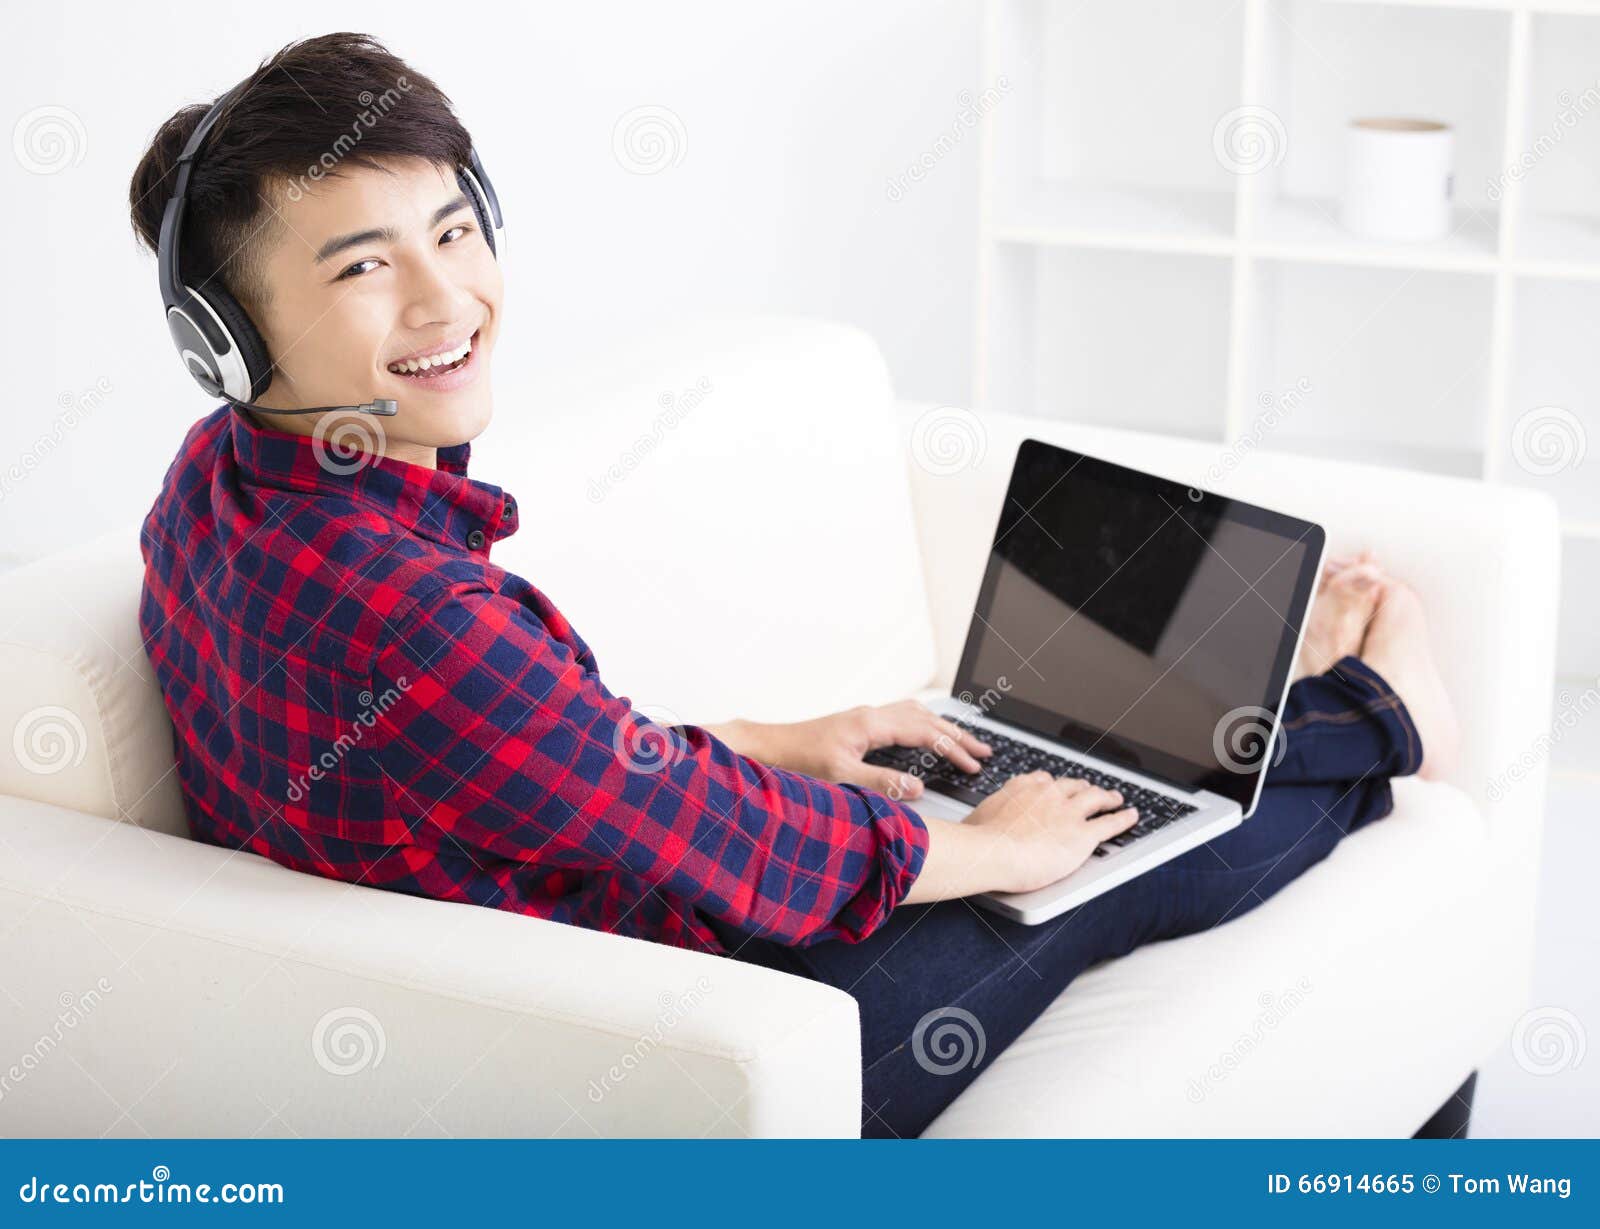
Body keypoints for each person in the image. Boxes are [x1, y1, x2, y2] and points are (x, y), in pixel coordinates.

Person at [131, 32, 1459, 1138]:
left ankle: (1275, 722)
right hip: (685, 1042)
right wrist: (985, 848)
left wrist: (779, 740)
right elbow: (684, 832)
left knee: (1011, 789)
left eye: (454, 230)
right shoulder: (410, 609)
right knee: (1113, 860)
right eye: (364, 265)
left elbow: (533, 766)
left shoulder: (215, 488)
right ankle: (1378, 717)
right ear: (230, 340)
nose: (447, 298)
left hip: (537, 946)